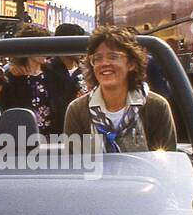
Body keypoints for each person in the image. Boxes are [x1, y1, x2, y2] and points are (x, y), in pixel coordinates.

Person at [63, 25, 178, 153]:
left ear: (131, 64)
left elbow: (165, 164)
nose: (104, 63)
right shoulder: (77, 110)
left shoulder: (156, 107)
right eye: (97, 58)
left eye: (113, 57)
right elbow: (74, 164)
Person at [0, 24, 74, 137]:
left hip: (55, 140)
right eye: (41, 46)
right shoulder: (12, 78)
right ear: (27, 47)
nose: (46, 51)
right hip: (23, 142)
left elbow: (65, 105)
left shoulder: (55, 73)